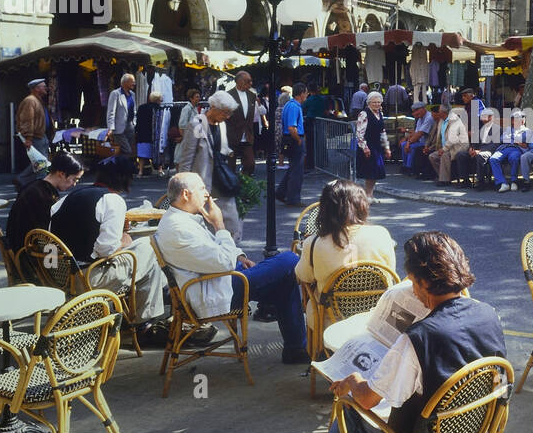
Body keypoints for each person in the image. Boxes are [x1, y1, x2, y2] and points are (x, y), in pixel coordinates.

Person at [271, 231, 506, 433]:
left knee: (351, 407)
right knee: (367, 407)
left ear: (420, 282)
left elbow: (368, 400)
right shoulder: (489, 315)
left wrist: (354, 381)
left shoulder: (419, 339)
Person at [156, 171, 307, 360]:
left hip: (221, 280)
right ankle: (297, 345)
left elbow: (213, 251)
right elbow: (223, 261)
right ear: (186, 194)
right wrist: (219, 224)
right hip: (215, 292)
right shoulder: (178, 227)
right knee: (289, 261)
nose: (207, 193)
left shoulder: (181, 218)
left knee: (285, 280)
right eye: (202, 188)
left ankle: (296, 350)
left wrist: (240, 255)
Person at [50, 157, 166, 322]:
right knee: (148, 247)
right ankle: (142, 322)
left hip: (59, 275)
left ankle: (142, 319)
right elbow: (107, 249)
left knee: (149, 267)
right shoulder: (113, 200)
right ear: (125, 179)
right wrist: (125, 239)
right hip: (88, 278)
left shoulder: (68, 197)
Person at [295, 179, 397, 331]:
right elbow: (391, 275)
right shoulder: (382, 234)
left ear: (325, 209)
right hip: (375, 319)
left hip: (330, 321)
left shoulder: (314, 243)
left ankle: (316, 350)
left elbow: (304, 276)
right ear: (361, 205)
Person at [175, 89, 243, 244]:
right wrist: (183, 186)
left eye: (229, 113)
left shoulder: (222, 125)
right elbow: (187, 158)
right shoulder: (197, 125)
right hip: (203, 181)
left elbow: (222, 149)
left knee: (231, 217)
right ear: (214, 108)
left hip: (220, 178)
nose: (227, 116)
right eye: (225, 112)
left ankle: (232, 250)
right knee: (206, 221)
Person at [4, 151, 84, 257]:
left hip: (19, 250)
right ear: (61, 174)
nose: (74, 184)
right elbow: (49, 236)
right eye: (74, 179)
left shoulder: (35, 186)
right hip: (33, 258)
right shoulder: (45, 197)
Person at [15, 77, 52, 189]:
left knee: (40, 162)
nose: (46, 88)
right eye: (43, 86)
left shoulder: (37, 100)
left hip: (41, 136)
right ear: (36, 88)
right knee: (41, 163)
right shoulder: (30, 101)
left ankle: (23, 179)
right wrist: (29, 138)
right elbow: (27, 120)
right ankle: (40, 185)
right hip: (36, 137)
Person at [354, 91, 391, 199]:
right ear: (369, 103)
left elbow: (382, 131)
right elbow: (359, 133)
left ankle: (369, 194)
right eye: (374, 102)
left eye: (379, 102)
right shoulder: (364, 114)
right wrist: (365, 148)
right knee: (369, 173)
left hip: (377, 146)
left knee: (375, 173)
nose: (377, 104)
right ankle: (367, 195)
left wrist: (387, 147)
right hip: (367, 146)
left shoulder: (380, 113)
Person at [277, 82, 309, 206]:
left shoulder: (289, 105)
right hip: (294, 139)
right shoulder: (294, 107)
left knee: (293, 168)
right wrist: (299, 139)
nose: (306, 95)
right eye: (305, 93)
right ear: (301, 94)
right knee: (297, 170)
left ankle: (281, 192)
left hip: (290, 138)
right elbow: (291, 127)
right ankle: (293, 198)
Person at [225, 71, 258, 176]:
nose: (251, 83)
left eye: (251, 81)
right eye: (248, 81)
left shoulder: (252, 95)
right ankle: (232, 187)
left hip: (247, 135)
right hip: (232, 135)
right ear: (239, 81)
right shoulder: (229, 95)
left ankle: (244, 179)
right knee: (231, 166)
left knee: (250, 164)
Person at [489, 110, 529, 192]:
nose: (516, 121)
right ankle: (503, 183)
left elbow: (524, 140)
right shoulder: (508, 129)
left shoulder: (527, 130)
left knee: (514, 158)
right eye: (514, 119)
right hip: (504, 148)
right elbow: (502, 139)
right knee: (493, 159)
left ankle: (514, 181)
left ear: (523, 121)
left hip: (516, 149)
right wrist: (516, 139)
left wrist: (511, 137)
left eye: (518, 119)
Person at [106, 73, 138, 167]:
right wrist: (110, 128)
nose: (134, 83)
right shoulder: (115, 94)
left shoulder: (132, 94)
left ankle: (120, 169)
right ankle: (121, 168)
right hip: (119, 128)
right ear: (125, 82)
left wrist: (134, 122)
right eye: (132, 81)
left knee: (126, 151)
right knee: (127, 150)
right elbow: (111, 112)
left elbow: (134, 110)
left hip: (130, 126)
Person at [401, 100, 435, 177]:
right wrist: (407, 139)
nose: (414, 114)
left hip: (428, 142)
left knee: (411, 146)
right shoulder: (420, 118)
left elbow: (419, 134)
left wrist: (409, 142)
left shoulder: (429, 118)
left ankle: (410, 167)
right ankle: (405, 165)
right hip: (421, 140)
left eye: (416, 111)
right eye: (413, 112)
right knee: (403, 144)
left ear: (422, 109)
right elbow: (416, 133)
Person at [135, 91, 161, 176]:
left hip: (142, 134)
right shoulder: (159, 108)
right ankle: (160, 170)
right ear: (158, 100)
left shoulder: (141, 107)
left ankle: (140, 171)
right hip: (154, 135)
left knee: (142, 155)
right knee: (158, 152)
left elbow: (138, 121)